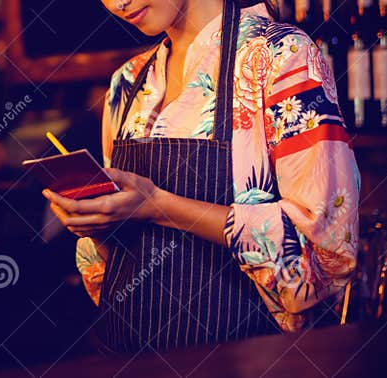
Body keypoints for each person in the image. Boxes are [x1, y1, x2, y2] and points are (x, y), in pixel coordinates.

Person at [43, 0, 360, 352]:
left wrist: (157, 205)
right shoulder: (127, 83)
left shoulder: (280, 56)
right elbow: (109, 275)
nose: (118, 3)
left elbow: (325, 257)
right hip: (131, 357)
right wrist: (97, 223)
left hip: (250, 358)